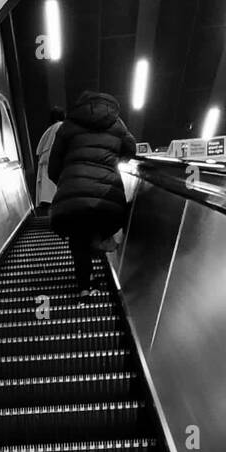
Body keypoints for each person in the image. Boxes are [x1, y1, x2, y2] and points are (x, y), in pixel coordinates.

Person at [47, 91, 137, 298]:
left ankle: (84, 286)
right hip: (107, 195)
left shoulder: (68, 125)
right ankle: (99, 255)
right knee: (99, 225)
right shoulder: (117, 123)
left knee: (78, 235)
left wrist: (67, 182)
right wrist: (113, 160)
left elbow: (53, 167)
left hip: (73, 196)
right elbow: (131, 149)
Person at [34, 107, 65, 214]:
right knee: (56, 199)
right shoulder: (61, 126)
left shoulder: (49, 129)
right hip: (54, 166)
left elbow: (39, 150)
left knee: (49, 201)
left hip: (45, 167)